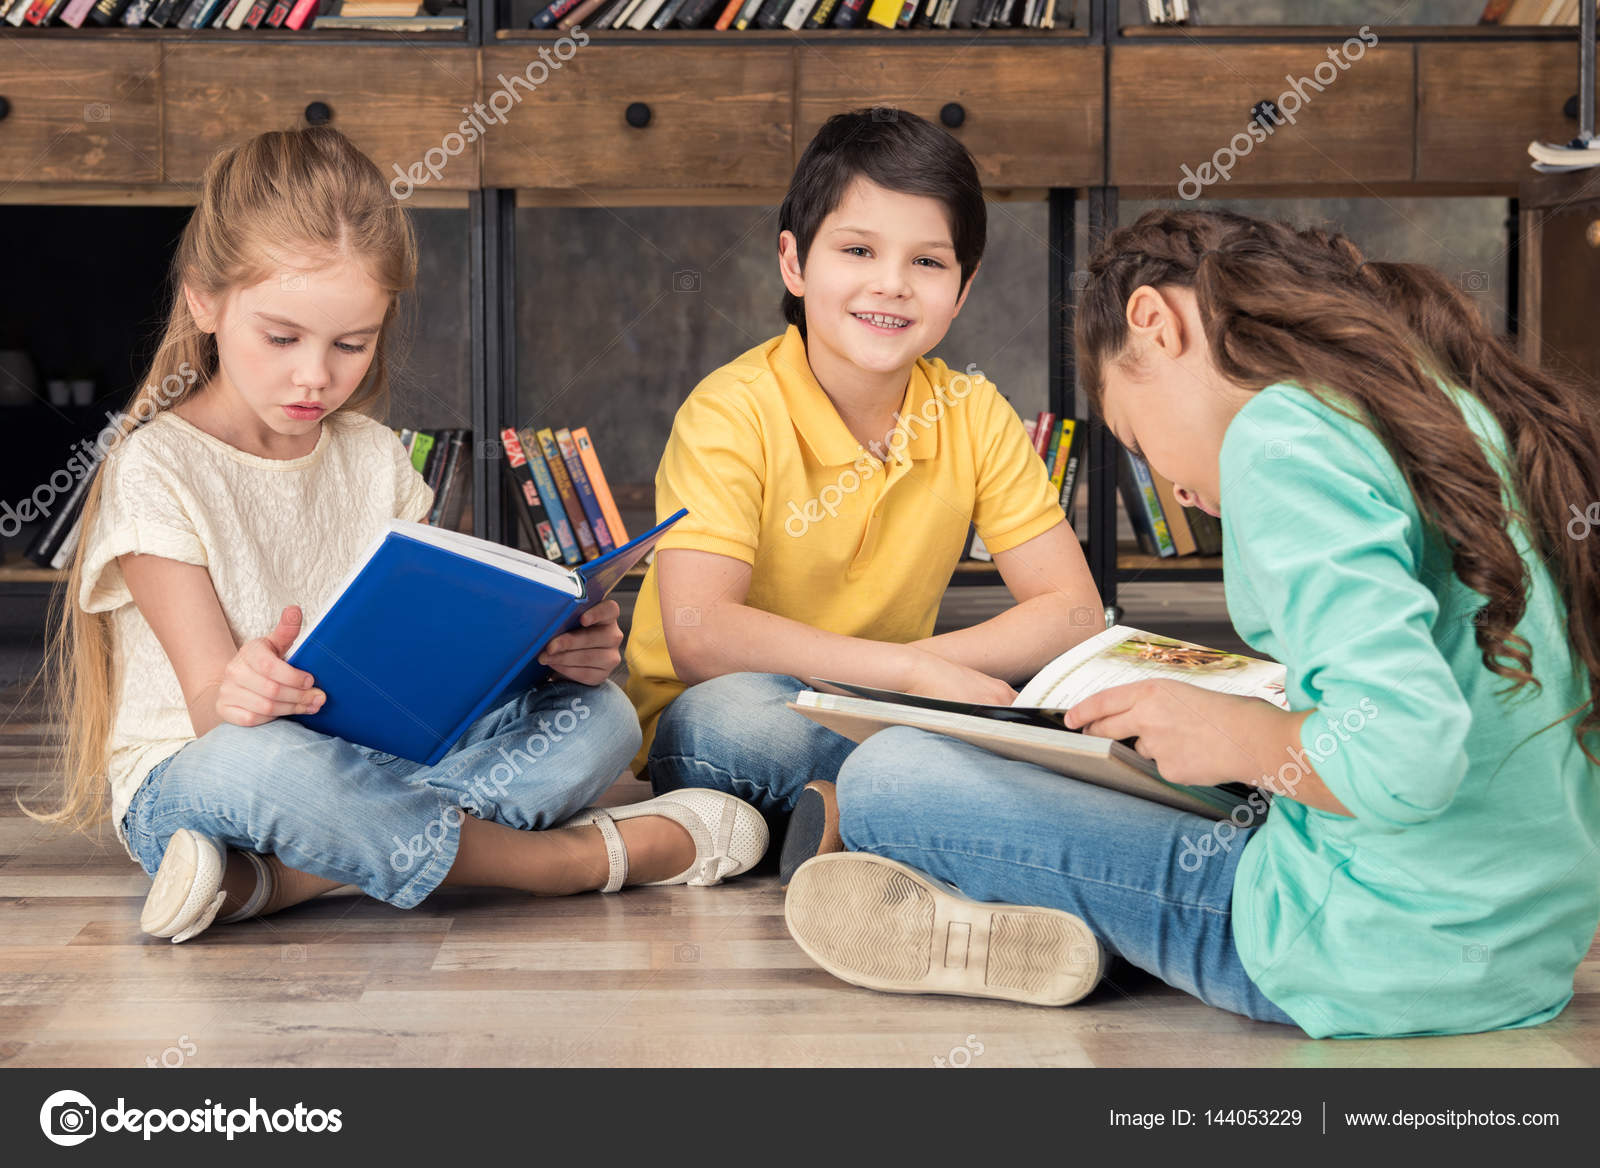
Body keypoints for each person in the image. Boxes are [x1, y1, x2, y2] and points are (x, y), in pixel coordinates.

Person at [785, 208, 1600, 1039]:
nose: (1171, 489)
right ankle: (1055, 930)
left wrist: (1241, 736)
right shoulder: (1461, 414)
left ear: (1155, 321)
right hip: (1526, 961)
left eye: (1135, 439)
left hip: (1356, 955)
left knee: (891, 778)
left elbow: (1404, 756)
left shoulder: (1281, 436)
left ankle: (1063, 934)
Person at [26, 126, 766, 945]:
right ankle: (575, 860)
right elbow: (210, 712)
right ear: (204, 299)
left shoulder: (375, 458)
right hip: (209, 783)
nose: (316, 375)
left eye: (352, 343)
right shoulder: (156, 467)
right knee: (264, 763)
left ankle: (277, 883)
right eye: (282, 338)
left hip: (387, 768)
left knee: (602, 722)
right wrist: (248, 691)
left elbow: (441, 671)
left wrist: (550, 655)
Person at [623, 108, 1102, 884]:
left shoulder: (972, 411)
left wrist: (909, 674)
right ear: (794, 263)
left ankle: (856, 818)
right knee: (730, 726)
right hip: (732, 712)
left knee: (1058, 703)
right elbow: (700, 632)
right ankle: (925, 809)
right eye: (857, 250)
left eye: (928, 262)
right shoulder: (731, 409)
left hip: (892, 703)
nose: (891, 284)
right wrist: (908, 682)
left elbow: (1072, 611)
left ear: (963, 289)